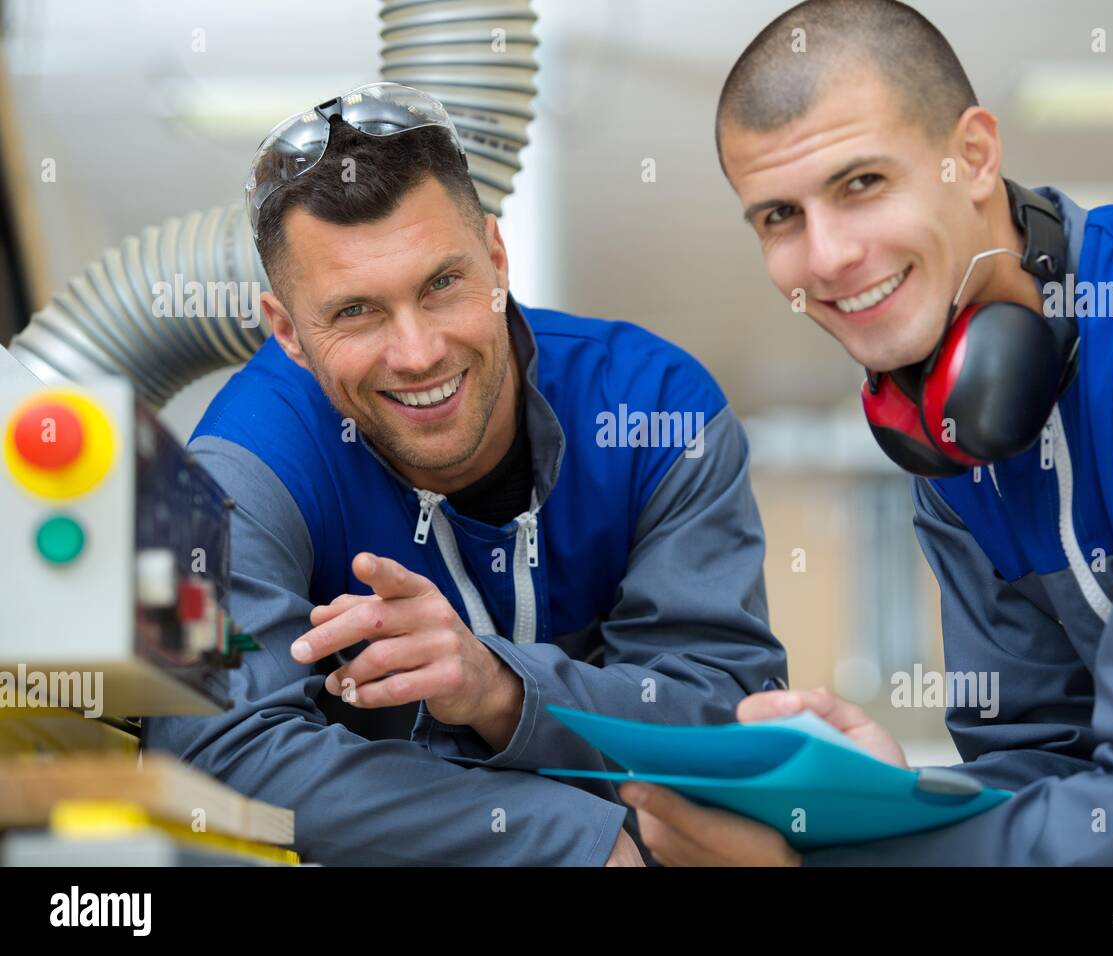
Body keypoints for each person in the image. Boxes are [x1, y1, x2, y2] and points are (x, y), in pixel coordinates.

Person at [623, 0, 1113, 866]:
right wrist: (882, 805)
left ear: (973, 157)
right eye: (779, 217)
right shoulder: (948, 427)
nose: (826, 257)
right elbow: (1048, 759)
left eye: (861, 183)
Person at [142, 83, 787, 866]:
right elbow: (214, 756)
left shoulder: (658, 409)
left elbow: (731, 721)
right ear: (287, 332)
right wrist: (572, 841)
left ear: (496, 258)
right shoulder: (230, 470)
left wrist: (501, 690)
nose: (417, 354)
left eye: (441, 284)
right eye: (355, 312)